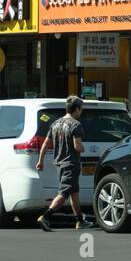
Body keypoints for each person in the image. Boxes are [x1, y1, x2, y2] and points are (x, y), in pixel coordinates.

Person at [35, 96, 91, 231]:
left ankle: (80, 220)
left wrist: (40, 161)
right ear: (77, 109)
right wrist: (84, 148)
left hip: (59, 163)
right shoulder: (76, 124)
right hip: (71, 163)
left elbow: (45, 145)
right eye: (80, 109)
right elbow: (77, 146)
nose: (81, 112)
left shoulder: (55, 124)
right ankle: (46, 217)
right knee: (64, 192)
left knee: (73, 192)